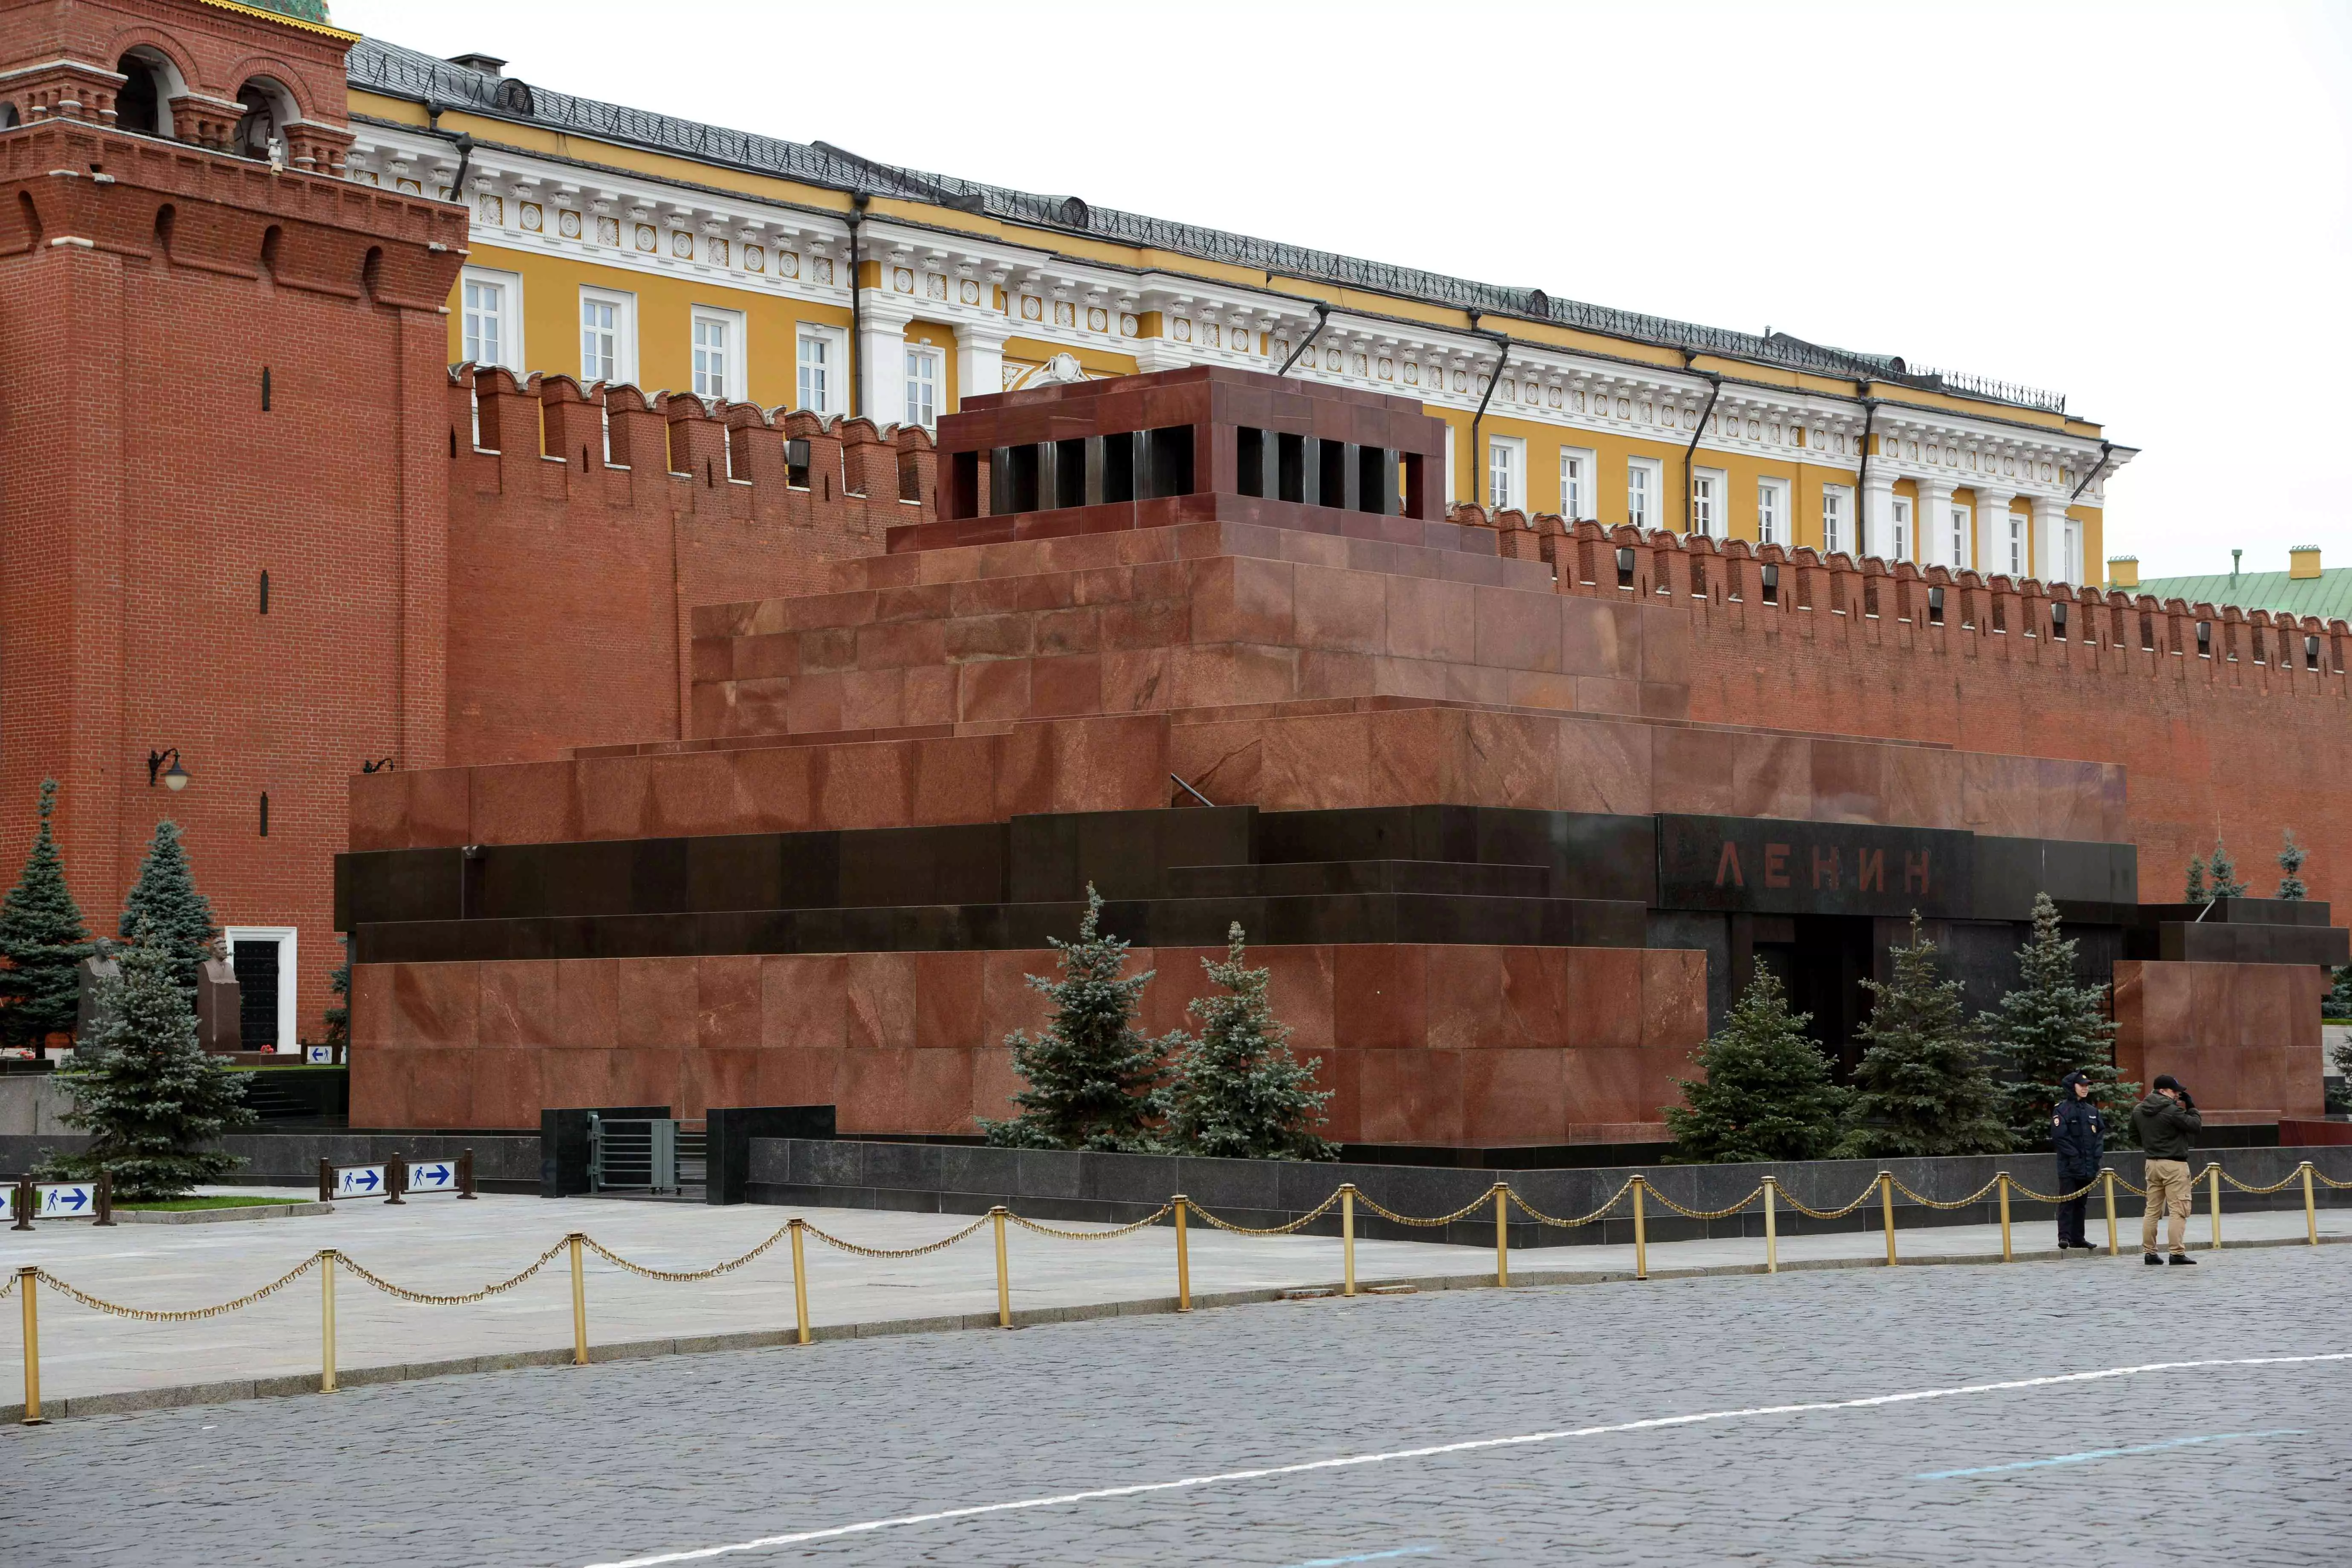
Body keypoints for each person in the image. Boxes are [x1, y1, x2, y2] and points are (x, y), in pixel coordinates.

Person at [2132, 1074, 2202, 1265]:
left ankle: (2150, 1253)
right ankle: (2177, 1253)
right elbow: (2195, 1126)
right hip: (2174, 1165)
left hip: (2152, 1164)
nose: (2178, 1094)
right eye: (2174, 1091)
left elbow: (2133, 1135)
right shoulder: (2172, 1111)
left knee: (2152, 1211)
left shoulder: (2139, 1110)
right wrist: (2192, 1107)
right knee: (2179, 1210)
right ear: (2163, 1091)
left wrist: (2151, 1146)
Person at [2050, 1070, 2104, 1252]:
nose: (2085, 1089)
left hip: (2088, 1166)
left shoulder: (2092, 1111)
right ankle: (2064, 1236)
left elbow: (2100, 1136)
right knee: (2067, 1201)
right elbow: (2060, 1138)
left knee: (2081, 1204)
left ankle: (2078, 1238)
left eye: (2087, 1086)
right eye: (2082, 1085)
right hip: (2069, 1166)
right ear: (2072, 1087)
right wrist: (2075, 1158)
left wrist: (2096, 1158)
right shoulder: (2062, 1110)